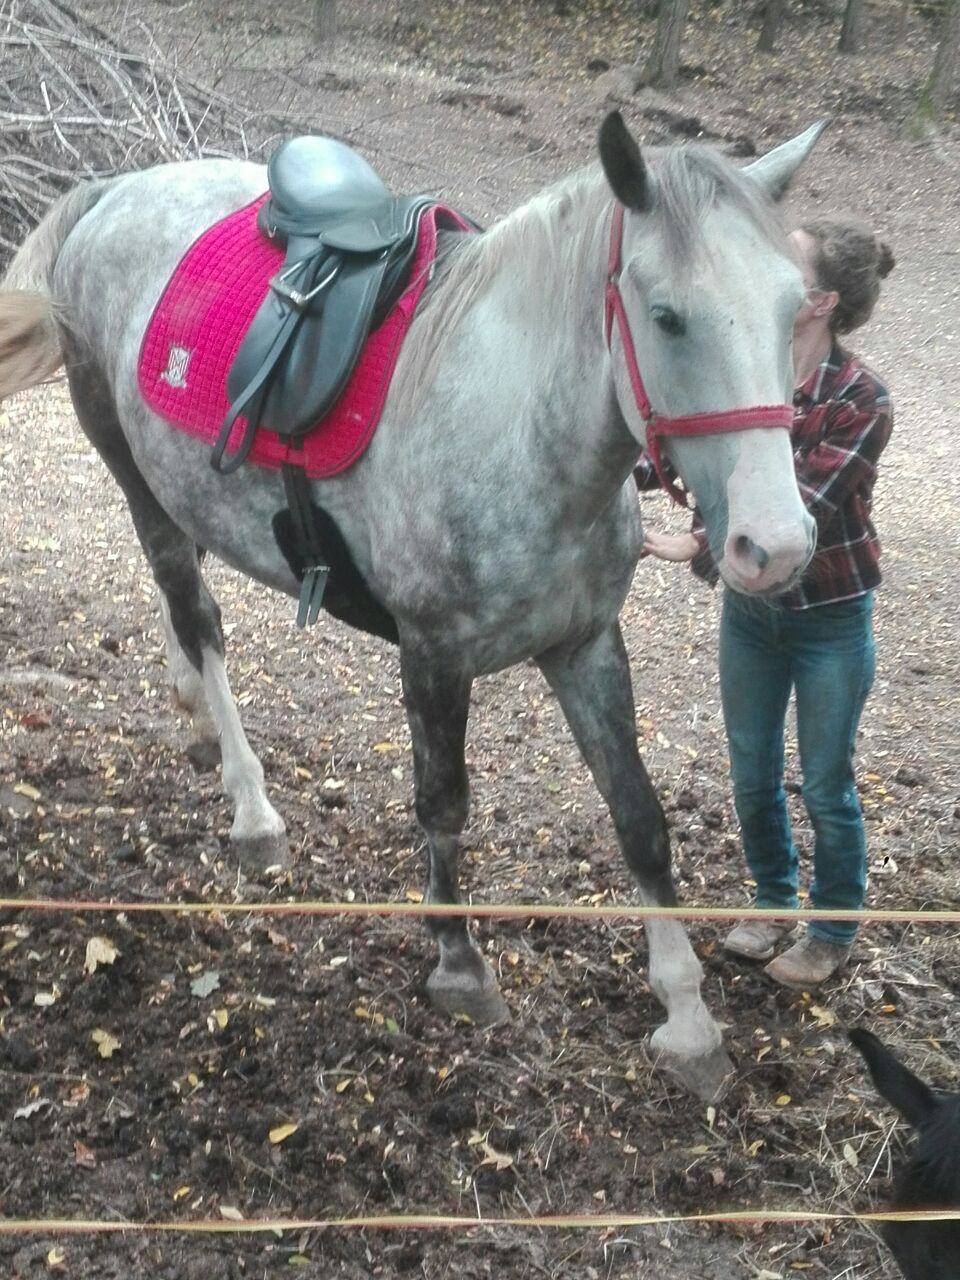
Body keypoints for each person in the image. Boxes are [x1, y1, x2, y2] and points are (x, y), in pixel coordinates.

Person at [640, 217, 895, 988]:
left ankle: (829, 927)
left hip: (830, 620)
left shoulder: (861, 399)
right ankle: (773, 897)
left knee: (825, 783)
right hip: (752, 619)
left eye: (785, 262)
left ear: (817, 301)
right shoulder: (749, 367)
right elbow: (704, 450)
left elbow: (800, 508)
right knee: (752, 771)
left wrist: (702, 541)